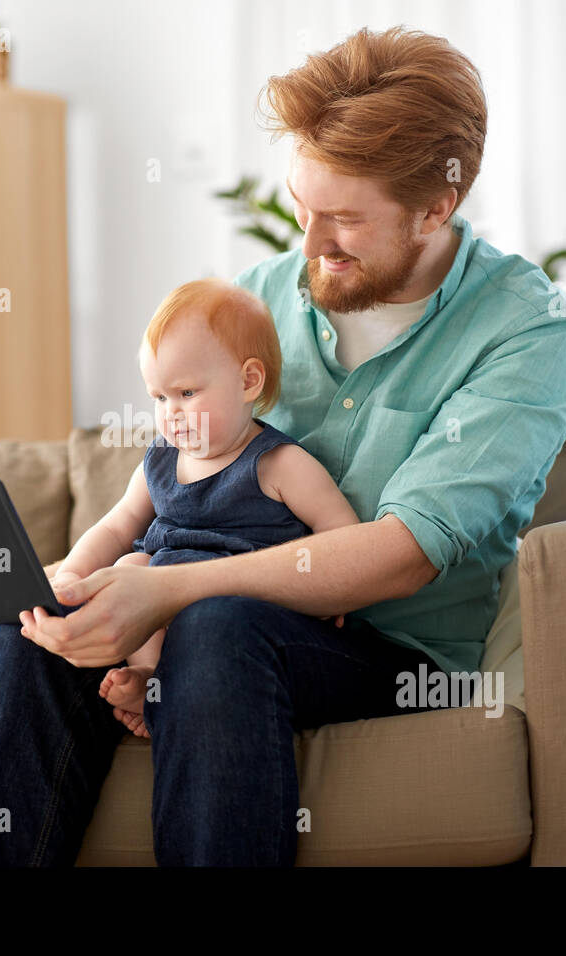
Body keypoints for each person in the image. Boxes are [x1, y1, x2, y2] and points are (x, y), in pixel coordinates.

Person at [0, 25, 566, 866]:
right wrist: (9, 605)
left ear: (436, 207)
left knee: (219, 625)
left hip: (387, 653)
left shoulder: (529, 330)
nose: (308, 246)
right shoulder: (261, 300)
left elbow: (408, 553)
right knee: (39, 634)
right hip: (204, 628)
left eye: (343, 221)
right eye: (303, 209)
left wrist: (166, 596)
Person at [49, 277, 360, 739]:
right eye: (159, 397)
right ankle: (152, 679)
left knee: (184, 604)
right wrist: (68, 578)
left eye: (187, 393)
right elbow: (115, 528)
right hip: (156, 595)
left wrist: (333, 594)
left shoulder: (278, 463)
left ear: (248, 381)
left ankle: (159, 691)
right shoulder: (159, 460)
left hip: (240, 604)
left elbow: (344, 534)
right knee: (132, 561)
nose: (170, 411)